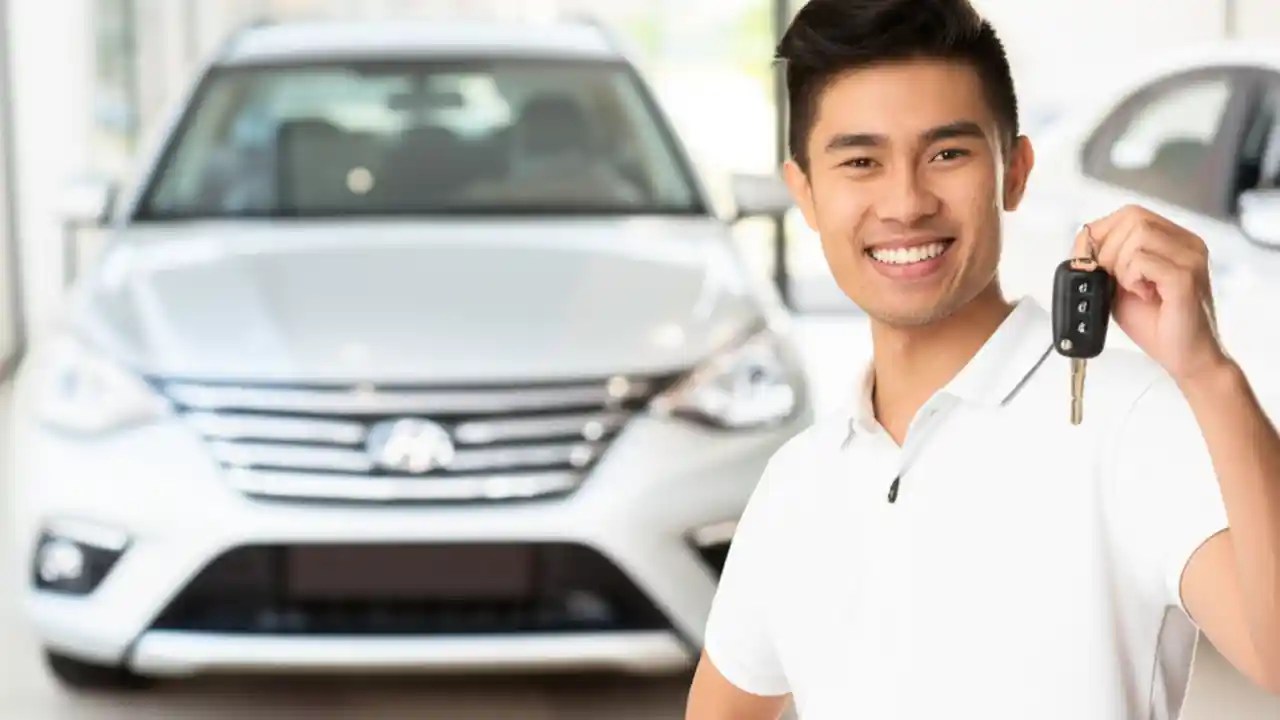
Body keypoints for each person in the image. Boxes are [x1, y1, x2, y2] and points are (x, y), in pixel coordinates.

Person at [683, 1, 1280, 718]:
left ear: (1015, 171)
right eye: (861, 162)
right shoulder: (796, 483)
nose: (905, 203)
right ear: (805, 193)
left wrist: (1210, 373)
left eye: (946, 154)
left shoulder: (1131, 421)